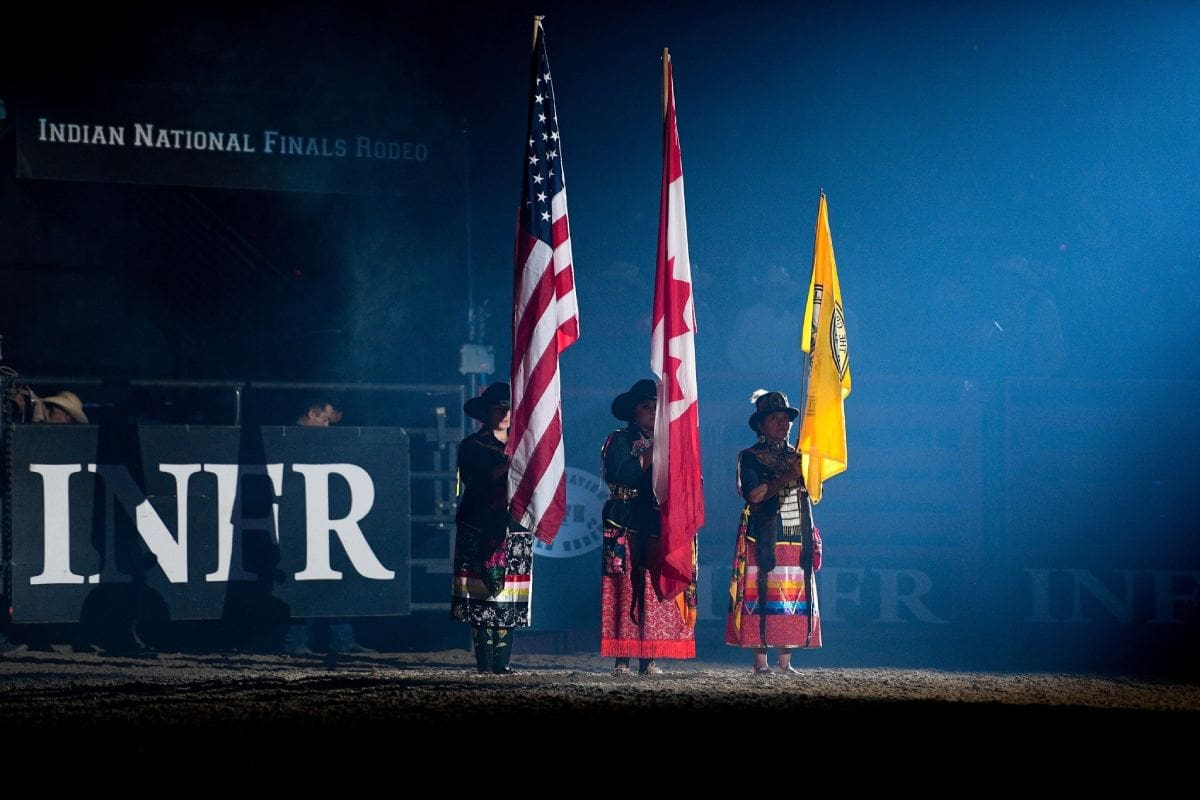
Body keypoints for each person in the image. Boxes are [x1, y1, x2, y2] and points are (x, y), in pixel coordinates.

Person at [600, 379, 696, 675]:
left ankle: (650, 657)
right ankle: (622, 658)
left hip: (656, 522)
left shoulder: (671, 442)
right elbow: (624, 474)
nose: (653, 412)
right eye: (646, 407)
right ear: (633, 412)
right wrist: (653, 449)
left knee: (653, 588)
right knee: (625, 587)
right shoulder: (619, 439)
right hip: (625, 520)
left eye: (657, 407)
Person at [726, 390, 823, 675]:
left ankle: (786, 662)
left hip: (796, 531)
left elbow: (816, 493)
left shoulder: (800, 457)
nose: (783, 423)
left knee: (793, 591)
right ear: (761, 425)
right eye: (775, 418)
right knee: (763, 592)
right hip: (763, 533)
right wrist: (790, 476)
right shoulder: (750, 457)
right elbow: (754, 495)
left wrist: (810, 469)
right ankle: (760, 662)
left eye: (786, 419)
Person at [451, 381, 530, 674]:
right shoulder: (471, 445)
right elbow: (477, 481)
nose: (506, 413)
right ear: (486, 411)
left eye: (510, 408)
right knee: (480, 592)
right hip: (480, 525)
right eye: (500, 407)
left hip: (513, 526)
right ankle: (485, 662)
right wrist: (512, 462)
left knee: (510, 593)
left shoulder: (524, 446)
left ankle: (502, 661)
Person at [285, 397, 372, 656]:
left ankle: (340, 639)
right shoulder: (289, 439)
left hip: (326, 516)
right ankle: (299, 641)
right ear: (312, 414)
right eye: (324, 420)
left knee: (335, 577)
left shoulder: (299, 439)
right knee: (304, 579)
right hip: (303, 518)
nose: (327, 427)